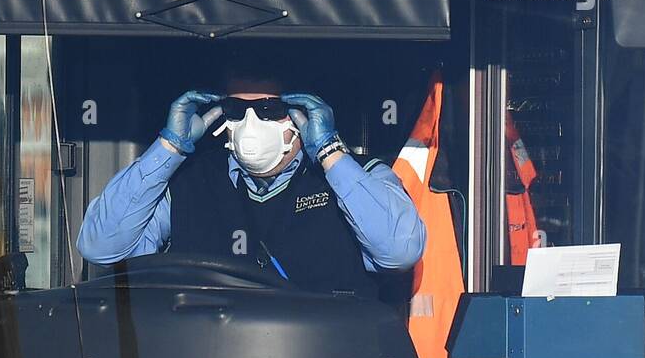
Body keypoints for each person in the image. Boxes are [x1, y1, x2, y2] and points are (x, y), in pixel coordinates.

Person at [76, 85, 426, 297]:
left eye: (269, 110)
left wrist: (330, 153)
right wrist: (169, 148)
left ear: (302, 115)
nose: (251, 124)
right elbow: (100, 246)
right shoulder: (188, 182)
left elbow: (400, 251)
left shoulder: (359, 177)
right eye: (236, 110)